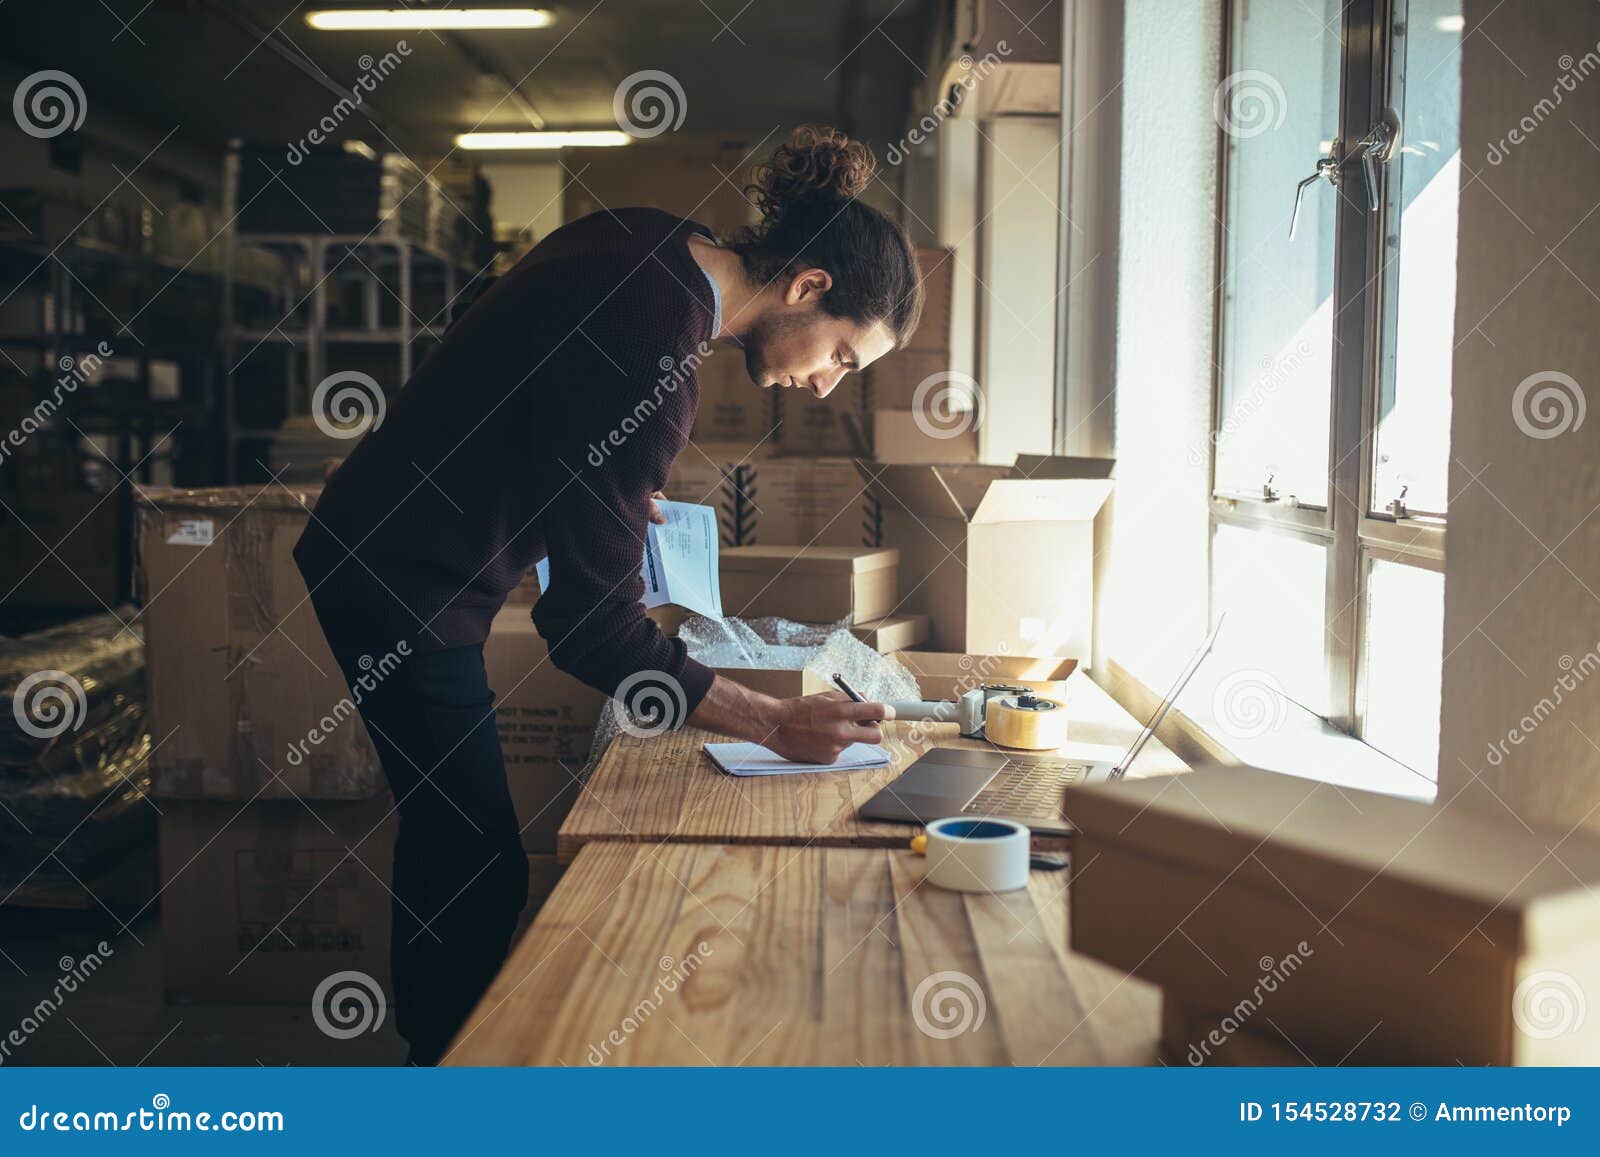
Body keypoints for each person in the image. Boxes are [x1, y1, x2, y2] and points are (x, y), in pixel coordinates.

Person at [292, 125, 924, 1065]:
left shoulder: (649, 239)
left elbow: (522, 362)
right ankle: (442, 1083)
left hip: (394, 542)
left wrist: (604, 487)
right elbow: (588, 630)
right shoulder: (652, 347)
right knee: (472, 861)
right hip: (401, 579)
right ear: (807, 287)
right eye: (842, 355)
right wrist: (773, 722)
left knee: (455, 844)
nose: (828, 385)